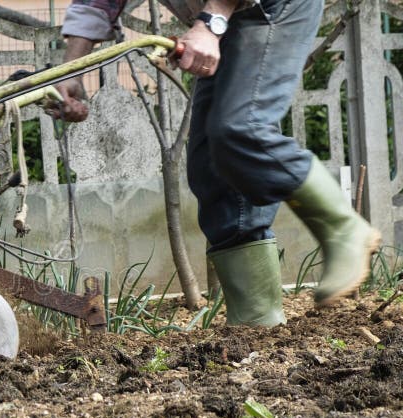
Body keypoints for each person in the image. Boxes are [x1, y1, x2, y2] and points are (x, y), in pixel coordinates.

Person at [54, 0, 381, 326]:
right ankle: (257, 321)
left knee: (242, 128)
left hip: (274, 6)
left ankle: (344, 229)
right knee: (211, 164)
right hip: (228, 15)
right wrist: (71, 69)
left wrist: (211, 23)